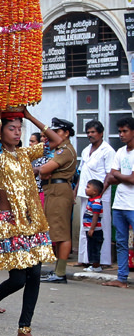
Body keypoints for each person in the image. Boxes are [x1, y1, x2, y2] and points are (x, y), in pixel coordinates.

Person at [0, 109, 57, 336]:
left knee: (34, 277)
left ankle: (24, 329)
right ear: (2, 130)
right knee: (18, 279)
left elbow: (56, 141)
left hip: (33, 222)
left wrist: (30, 118)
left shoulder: (24, 153)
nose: (17, 132)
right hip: (10, 224)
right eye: (12, 128)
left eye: (20, 128)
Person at [38, 118, 78, 284]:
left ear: (66, 133)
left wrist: (43, 171)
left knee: (62, 233)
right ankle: (57, 270)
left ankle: (60, 272)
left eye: (58, 131)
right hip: (53, 190)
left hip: (59, 191)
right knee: (55, 231)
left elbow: (44, 169)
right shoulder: (58, 149)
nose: (53, 135)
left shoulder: (65, 150)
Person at [102, 116, 134, 289]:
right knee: (121, 242)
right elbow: (110, 176)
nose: (121, 135)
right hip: (120, 204)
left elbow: (131, 179)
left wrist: (119, 176)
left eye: (125, 131)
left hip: (133, 206)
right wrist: (124, 177)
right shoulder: (120, 152)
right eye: (120, 131)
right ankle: (121, 278)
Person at [76, 120, 113, 268]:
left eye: (93, 132)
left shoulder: (108, 151)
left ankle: (101, 261)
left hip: (100, 196)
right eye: (88, 132)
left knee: (99, 228)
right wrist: (75, 190)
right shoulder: (86, 150)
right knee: (85, 226)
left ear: (101, 133)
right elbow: (82, 172)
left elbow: (110, 175)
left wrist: (98, 195)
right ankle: (85, 258)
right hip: (86, 194)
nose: (90, 135)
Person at [82, 180, 106, 273]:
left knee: (94, 248)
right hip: (90, 229)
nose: (85, 189)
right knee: (91, 247)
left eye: (88, 187)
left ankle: (96, 266)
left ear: (95, 191)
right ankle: (93, 265)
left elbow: (95, 216)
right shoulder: (91, 201)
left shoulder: (96, 202)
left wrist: (92, 228)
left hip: (95, 231)